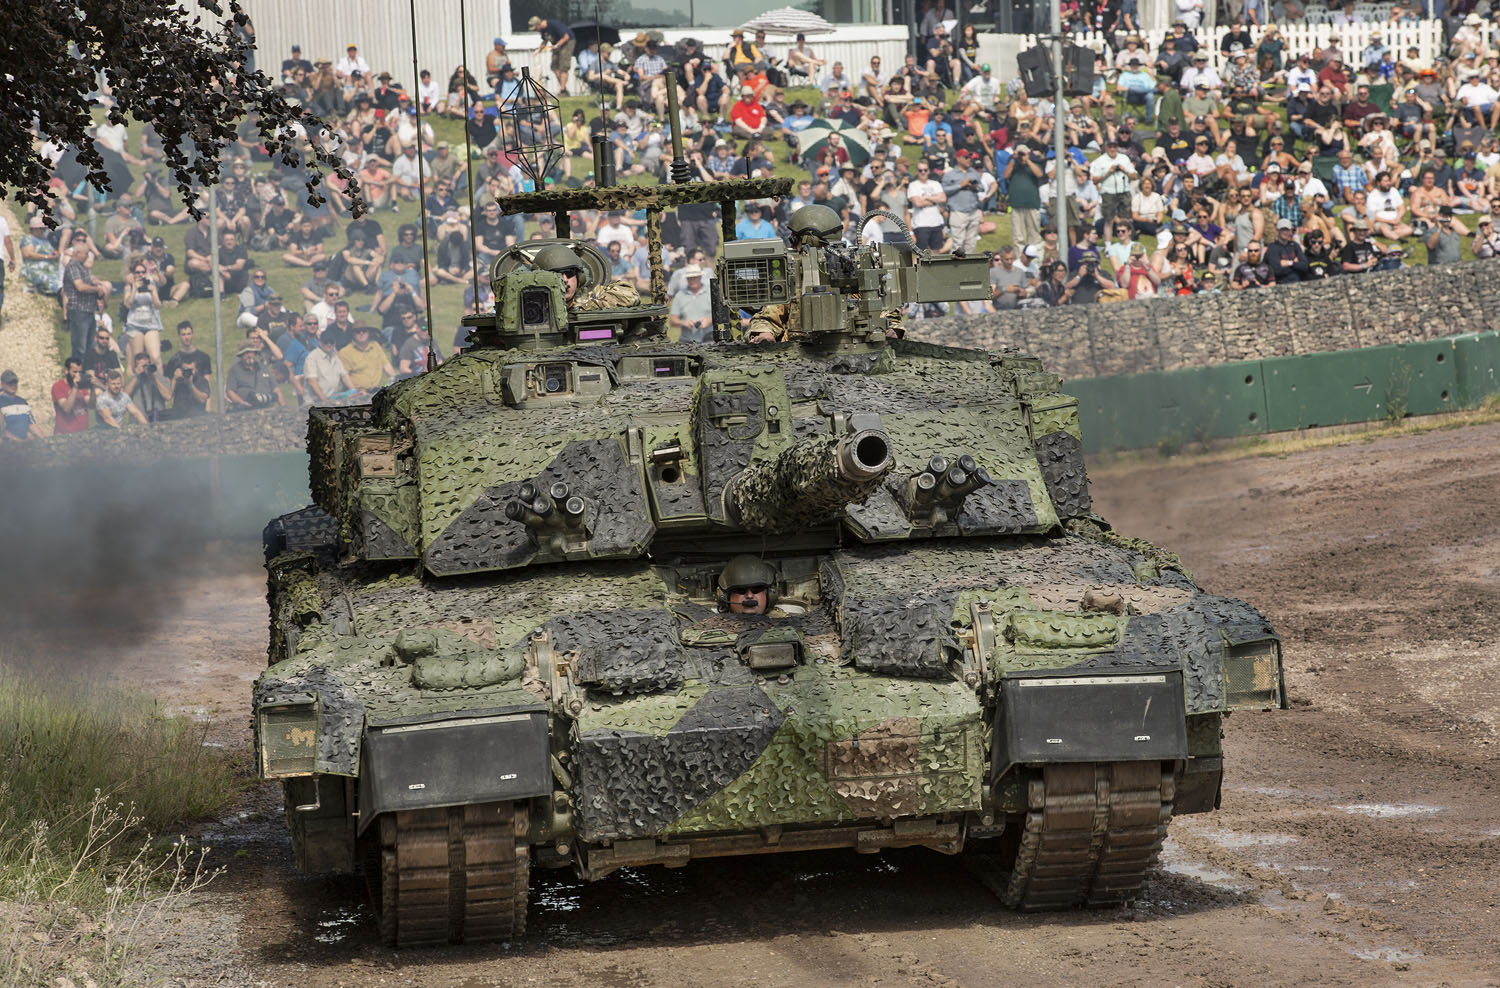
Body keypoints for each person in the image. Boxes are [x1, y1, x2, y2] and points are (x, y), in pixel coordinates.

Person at [532, 243, 640, 312]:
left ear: (580, 277)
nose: (564, 279)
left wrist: (585, 308)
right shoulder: (531, 305)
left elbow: (630, 295)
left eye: (569, 273)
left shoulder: (590, 297)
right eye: (557, 274)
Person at [164, 321, 212, 416]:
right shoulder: (173, 360)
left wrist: (208, 406)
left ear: (192, 334)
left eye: (189, 334)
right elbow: (169, 393)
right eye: (183, 334)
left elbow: (207, 383)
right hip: (180, 405)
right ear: (179, 336)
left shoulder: (204, 357)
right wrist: (175, 378)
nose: (187, 337)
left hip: (199, 405)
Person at [225, 340, 282, 411]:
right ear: (241, 355)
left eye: (252, 352)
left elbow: (275, 388)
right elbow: (230, 392)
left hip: (267, 407)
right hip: (245, 410)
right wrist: (242, 403)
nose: (250, 355)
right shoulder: (234, 370)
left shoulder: (263, 368)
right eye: (246, 353)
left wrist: (283, 405)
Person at [304, 331, 360, 402]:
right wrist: (324, 400)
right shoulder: (312, 357)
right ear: (320, 343)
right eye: (326, 342)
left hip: (332, 399)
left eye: (331, 342)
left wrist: (354, 391)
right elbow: (312, 382)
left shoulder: (335, 357)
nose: (329, 344)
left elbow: (344, 376)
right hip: (315, 402)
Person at [528, 15, 576, 96]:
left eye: (536, 28)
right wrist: (538, 50)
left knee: (563, 67)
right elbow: (545, 41)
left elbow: (566, 37)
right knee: (554, 66)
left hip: (567, 43)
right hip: (557, 45)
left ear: (539, 24)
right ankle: (563, 87)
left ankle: (562, 91)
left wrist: (556, 46)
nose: (536, 30)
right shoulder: (543, 30)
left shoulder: (553, 25)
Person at [339, 325, 396, 390]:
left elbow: (386, 364)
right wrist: (354, 391)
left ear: (368, 333)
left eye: (364, 331)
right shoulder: (345, 352)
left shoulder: (375, 346)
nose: (361, 333)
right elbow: (345, 376)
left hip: (376, 389)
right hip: (357, 392)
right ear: (353, 334)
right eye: (358, 332)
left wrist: (395, 379)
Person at [669, 265, 713, 343]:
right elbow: (672, 320)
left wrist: (709, 321)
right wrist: (683, 322)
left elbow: (722, 316)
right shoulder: (680, 295)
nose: (692, 280)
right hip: (686, 341)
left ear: (700, 277)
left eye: (694, 278)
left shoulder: (711, 293)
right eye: (689, 278)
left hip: (709, 339)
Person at [50, 357, 93, 434]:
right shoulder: (58, 386)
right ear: (66, 371)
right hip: (65, 434)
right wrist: (75, 387)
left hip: (83, 433)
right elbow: (66, 408)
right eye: (75, 372)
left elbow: (91, 405)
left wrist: (92, 388)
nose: (78, 375)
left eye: (80, 372)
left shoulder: (82, 386)